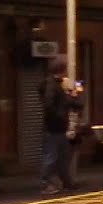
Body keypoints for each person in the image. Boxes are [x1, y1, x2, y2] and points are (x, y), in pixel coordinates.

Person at [40, 57, 82, 194]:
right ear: (62, 70)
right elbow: (50, 105)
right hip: (53, 127)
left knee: (63, 156)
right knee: (51, 156)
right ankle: (46, 183)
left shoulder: (57, 85)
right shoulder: (52, 86)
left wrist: (73, 97)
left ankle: (66, 182)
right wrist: (59, 116)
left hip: (59, 127)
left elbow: (66, 102)